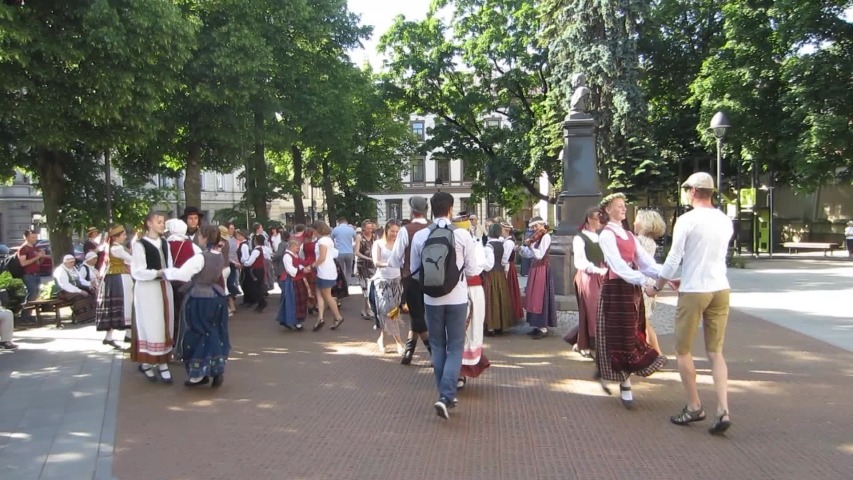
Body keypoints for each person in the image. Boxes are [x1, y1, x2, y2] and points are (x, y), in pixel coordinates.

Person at [647, 172, 734, 435]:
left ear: (694, 191)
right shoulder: (724, 219)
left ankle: (694, 406)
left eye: (686, 189)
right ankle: (723, 408)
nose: (685, 193)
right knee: (715, 352)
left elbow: (674, 258)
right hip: (720, 287)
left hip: (695, 289)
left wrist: (657, 286)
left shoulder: (687, 220)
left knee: (683, 350)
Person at [595, 193, 668, 409]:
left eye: (624, 206)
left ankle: (627, 377)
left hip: (631, 288)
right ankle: (624, 382)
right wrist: (644, 279)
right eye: (619, 206)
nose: (623, 209)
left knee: (635, 331)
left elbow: (645, 262)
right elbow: (617, 266)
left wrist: (666, 275)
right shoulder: (606, 235)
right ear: (608, 210)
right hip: (616, 289)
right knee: (621, 335)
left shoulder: (628, 234)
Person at [410, 192, 478, 420]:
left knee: (438, 346)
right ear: (451, 209)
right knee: (456, 346)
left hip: (431, 299)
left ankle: (444, 395)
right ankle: (446, 395)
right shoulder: (462, 234)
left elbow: (414, 271)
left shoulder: (420, 236)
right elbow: (472, 270)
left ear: (431, 209)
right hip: (457, 297)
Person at [166, 225, 230, 388]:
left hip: (200, 297)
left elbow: (182, 274)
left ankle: (198, 374)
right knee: (214, 331)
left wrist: (165, 272)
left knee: (196, 332)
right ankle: (217, 370)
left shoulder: (201, 257)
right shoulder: (219, 255)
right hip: (216, 295)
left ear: (204, 237)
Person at [130, 211, 176, 384]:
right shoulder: (140, 245)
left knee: (165, 322)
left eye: (163, 222)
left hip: (164, 287)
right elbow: (136, 271)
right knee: (151, 323)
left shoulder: (165, 242)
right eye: (159, 222)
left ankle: (163, 361)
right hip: (148, 290)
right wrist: (157, 272)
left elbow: (169, 264)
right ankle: (148, 362)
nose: (162, 224)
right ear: (149, 223)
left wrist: (172, 273)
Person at [388, 196, 431, 365]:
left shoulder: (406, 229)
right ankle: (408, 352)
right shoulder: (432, 227)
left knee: (417, 315)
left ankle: (432, 351)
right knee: (417, 315)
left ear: (412, 210)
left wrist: (398, 266)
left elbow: (395, 257)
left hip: (411, 278)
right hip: (433, 278)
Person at [452, 214, 490, 389]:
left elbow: (480, 267)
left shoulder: (475, 245)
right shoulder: (452, 244)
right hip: (457, 289)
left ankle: (464, 368)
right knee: (457, 328)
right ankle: (457, 369)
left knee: (470, 327)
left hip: (471, 289)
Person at [564, 207, 606, 357]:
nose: (600, 221)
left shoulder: (601, 237)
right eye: (597, 218)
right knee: (591, 309)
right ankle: (590, 345)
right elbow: (579, 262)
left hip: (602, 275)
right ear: (589, 219)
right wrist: (596, 270)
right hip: (587, 276)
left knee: (601, 310)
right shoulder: (580, 238)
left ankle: (583, 342)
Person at [369, 219, 404, 355]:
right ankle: (399, 342)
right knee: (387, 310)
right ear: (386, 230)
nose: (394, 234)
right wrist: (389, 263)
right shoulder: (378, 243)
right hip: (382, 281)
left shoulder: (399, 244)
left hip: (396, 281)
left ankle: (382, 338)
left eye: (397, 232)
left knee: (392, 312)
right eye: (392, 231)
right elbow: (376, 262)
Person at [95, 225, 134, 348]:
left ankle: (123, 335)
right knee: (123, 305)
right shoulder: (116, 249)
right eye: (123, 235)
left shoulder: (115, 247)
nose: (125, 236)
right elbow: (131, 259)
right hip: (118, 279)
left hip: (116, 277)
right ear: (116, 237)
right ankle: (125, 335)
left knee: (118, 306)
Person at [634, 209, 666, 355]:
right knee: (643, 321)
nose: (634, 222)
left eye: (637, 219)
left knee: (643, 322)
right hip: (648, 281)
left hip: (643, 283)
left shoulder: (639, 241)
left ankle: (656, 354)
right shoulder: (650, 241)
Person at [304, 221, 345, 331]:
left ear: (318, 230)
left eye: (314, 230)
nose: (313, 232)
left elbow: (322, 257)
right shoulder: (327, 239)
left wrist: (311, 266)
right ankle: (320, 317)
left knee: (326, 295)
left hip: (324, 271)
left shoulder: (322, 241)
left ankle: (337, 317)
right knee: (319, 293)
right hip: (326, 270)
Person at [520, 217, 556, 339]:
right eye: (533, 227)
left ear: (541, 225)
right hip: (536, 268)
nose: (534, 230)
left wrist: (530, 247)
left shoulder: (546, 237)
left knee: (540, 297)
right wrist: (523, 249)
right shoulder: (539, 237)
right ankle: (536, 325)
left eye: (536, 227)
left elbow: (539, 255)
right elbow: (531, 254)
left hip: (542, 268)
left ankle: (543, 327)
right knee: (533, 296)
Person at [167, 218, 202, 343]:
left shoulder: (165, 244)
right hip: (187, 283)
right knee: (186, 313)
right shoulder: (191, 245)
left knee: (171, 313)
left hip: (169, 283)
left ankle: (172, 339)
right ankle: (184, 341)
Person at [484, 223, 514, 335]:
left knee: (491, 299)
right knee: (500, 298)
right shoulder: (502, 244)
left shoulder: (488, 246)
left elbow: (489, 264)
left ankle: (491, 327)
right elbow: (504, 260)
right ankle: (500, 325)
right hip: (500, 274)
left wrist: (482, 267)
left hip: (491, 275)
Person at [276, 240, 311, 331]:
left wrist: (305, 267)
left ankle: (290, 320)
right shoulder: (287, 256)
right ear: (291, 246)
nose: (298, 248)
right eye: (297, 247)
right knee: (292, 300)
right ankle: (293, 321)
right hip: (291, 281)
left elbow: (300, 264)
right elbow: (290, 270)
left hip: (297, 280)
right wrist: (301, 270)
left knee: (297, 301)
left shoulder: (294, 255)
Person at [53, 254, 97, 326]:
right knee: (79, 297)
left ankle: (90, 317)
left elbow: (81, 280)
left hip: (74, 289)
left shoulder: (74, 269)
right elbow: (65, 285)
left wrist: (90, 284)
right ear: (65, 262)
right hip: (63, 291)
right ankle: (79, 318)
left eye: (73, 262)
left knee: (91, 293)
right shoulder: (61, 270)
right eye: (70, 262)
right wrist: (80, 291)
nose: (72, 264)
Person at [17, 230, 46, 324]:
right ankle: (24, 316)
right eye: (33, 237)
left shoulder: (34, 248)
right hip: (28, 275)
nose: (35, 239)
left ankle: (28, 315)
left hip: (36, 274)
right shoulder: (23, 249)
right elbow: (23, 263)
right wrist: (37, 257)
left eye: (36, 237)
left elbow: (38, 262)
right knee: (31, 294)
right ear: (26, 237)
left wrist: (41, 257)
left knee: (35, 295)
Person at [501, 221, 524, 322]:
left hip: (508, 267)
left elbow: (505, 257)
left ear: (506, 230)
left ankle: (511, 315)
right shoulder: (507, 241)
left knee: (510, 290)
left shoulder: (508, 242)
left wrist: (502, 267)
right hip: (508, 266)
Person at [240, 234, 268, 313]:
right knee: (258, 287)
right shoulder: (261, 249)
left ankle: (262, 302)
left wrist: (243, 264)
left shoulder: (256, 250)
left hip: (256, 270)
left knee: (255, 288)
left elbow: (250, 262)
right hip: (260, 269)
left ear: (256, 241)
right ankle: (260, 303)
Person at [355, 220, 376, 320]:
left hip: (373, 266)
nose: (370, 230)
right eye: (367, 228)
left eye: (371, 228)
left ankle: (368, 309)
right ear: (363, 228)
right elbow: (357, 252)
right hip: (363, 266)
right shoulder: (359, 238)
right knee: (365, 288)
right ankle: (366, 309)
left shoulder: (375, 237)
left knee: (372, 288)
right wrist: (367, 258)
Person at [331, 217, 356, 285]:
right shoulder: (351, 229)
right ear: (346, 222)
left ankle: (342, 283)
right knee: (349, 269)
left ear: (339, 222)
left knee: (341, 269)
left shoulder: (335, 230)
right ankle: (348, 282)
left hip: (339, 252)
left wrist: (335, 247)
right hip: (349, 252)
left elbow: (331, 239)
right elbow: (356, 239)